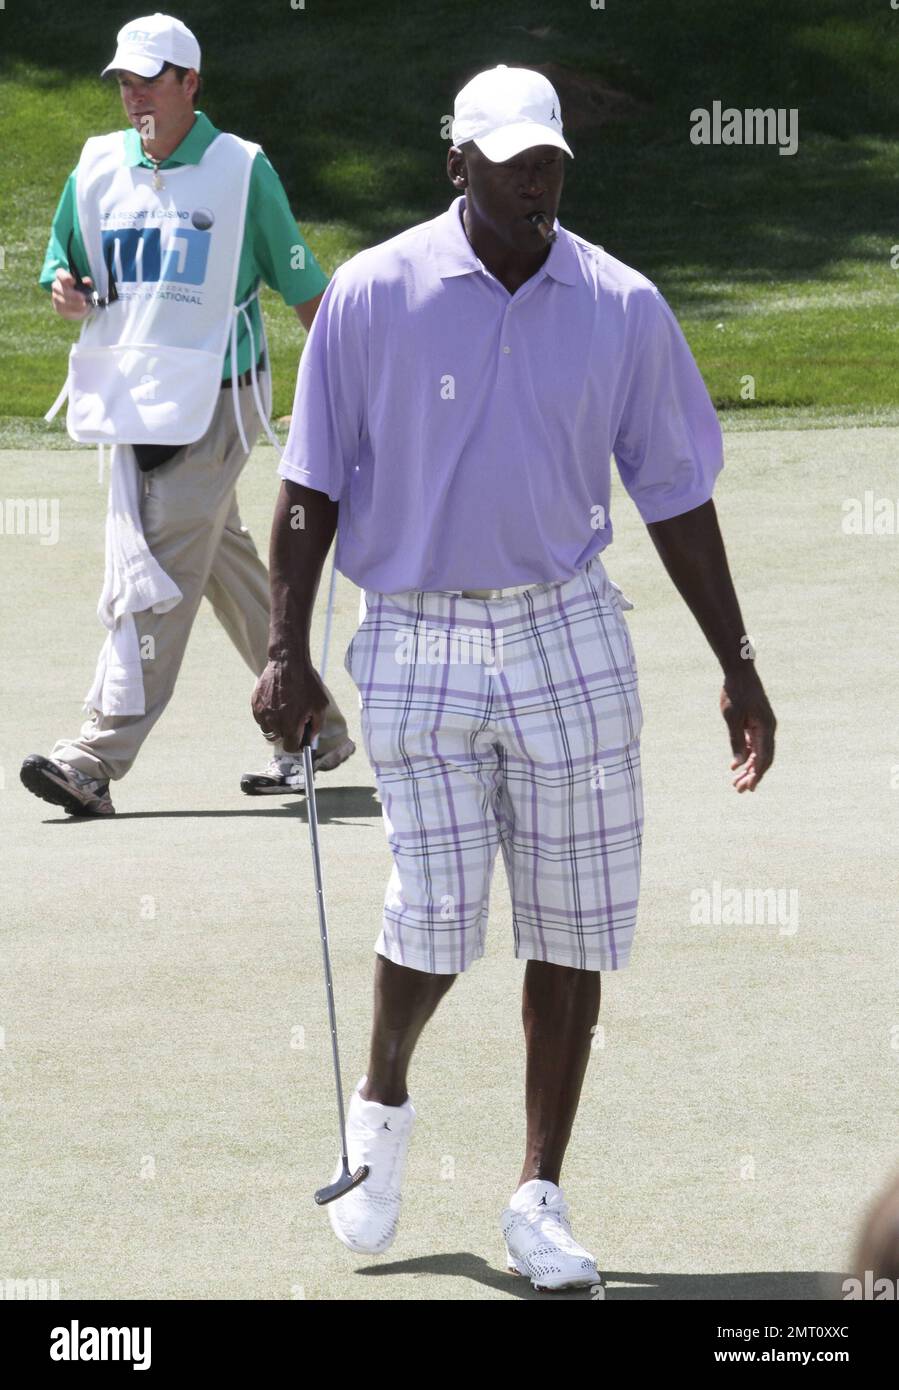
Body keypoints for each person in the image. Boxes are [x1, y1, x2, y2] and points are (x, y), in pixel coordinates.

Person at [252, 64, 777, 1292]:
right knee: (434, 907)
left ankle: (537, 1193)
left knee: (572, 920)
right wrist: (284, 647)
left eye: (546, 160)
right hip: (418, 633)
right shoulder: (371, 296)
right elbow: (308, 488)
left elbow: (675, 497)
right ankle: (379, 1108)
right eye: (507, 161)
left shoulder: (621, 304)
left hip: (567, 627)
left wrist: (736, 664)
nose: (534, 180)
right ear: (457, 167)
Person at [20, 12, 353, 819]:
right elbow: (61, 261)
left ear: (190, 83)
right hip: (134, 403)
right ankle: (315, 729)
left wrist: (362, 387)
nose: (132, 94)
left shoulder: (242, 170)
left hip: (218, 403)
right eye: (123, 81)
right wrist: (63, 286)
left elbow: (310, 293)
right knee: (220, 562)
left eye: (148, 79)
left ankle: (96, 755)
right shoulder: (99, 164)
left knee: (159, 571)